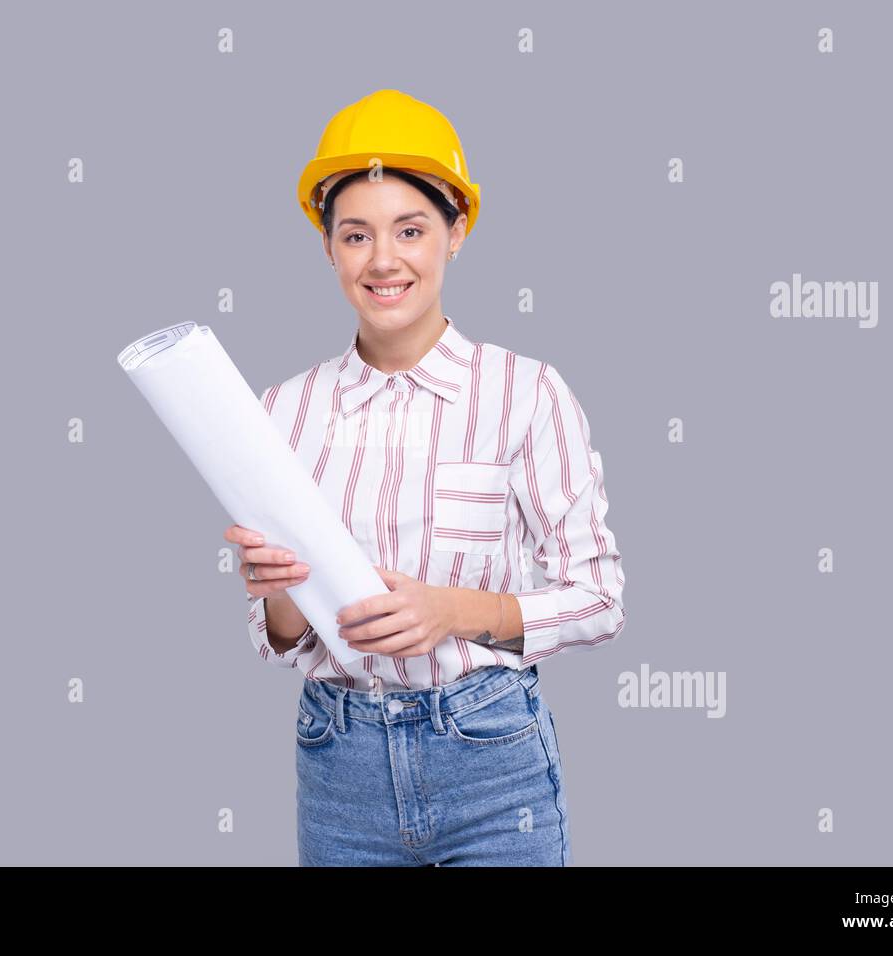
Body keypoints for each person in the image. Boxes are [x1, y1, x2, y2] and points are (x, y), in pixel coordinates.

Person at [222, 89, 627, 866]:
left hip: (490, 758)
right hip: (337, 764)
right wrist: (274, 588)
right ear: (329, 247)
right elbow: (280, 641)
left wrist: (452, 611)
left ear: (457, 232)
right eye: (355, 235)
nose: (383, 260)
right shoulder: (281, 410)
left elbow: (601, 600)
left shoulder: (526, 393)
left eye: (411, 230)